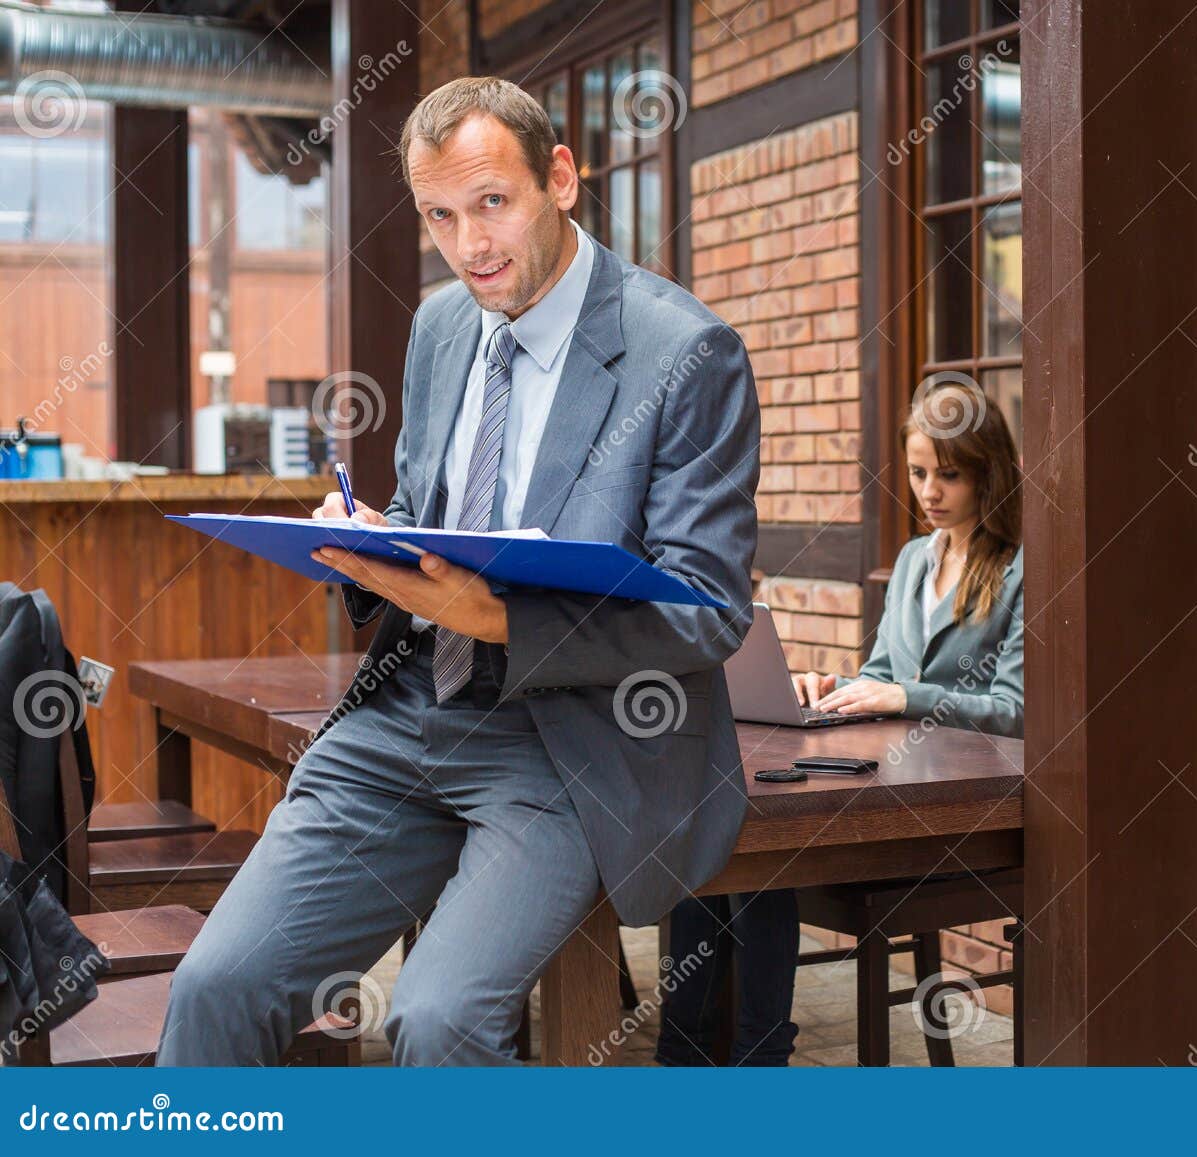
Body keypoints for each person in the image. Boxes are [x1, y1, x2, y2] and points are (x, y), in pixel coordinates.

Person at [157, 77, 759, 1066]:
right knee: (217, 984)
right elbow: (425, 508)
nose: (471, 245)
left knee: (434, 1020)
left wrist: (496, 621)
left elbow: (705, 609)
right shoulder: (443, 325)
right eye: (440, 215)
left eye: (494, 203)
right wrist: (363, 540)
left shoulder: (686, 353)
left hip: (565, 747)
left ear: (558, 178)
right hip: (404, 714)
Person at [654, 379, 1022, 1066]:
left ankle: (759, 1058)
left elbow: (1015, 709)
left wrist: (901, 698)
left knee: (760, 845)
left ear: (987, 472)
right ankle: (687, 1055)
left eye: (949, 474)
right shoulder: (916, 558)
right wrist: (832, 685)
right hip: (880, 776)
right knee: (718, 830)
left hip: (951, 807)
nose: (930, 491)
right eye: (918, 473)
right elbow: (883, 670)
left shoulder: (1019, 570)